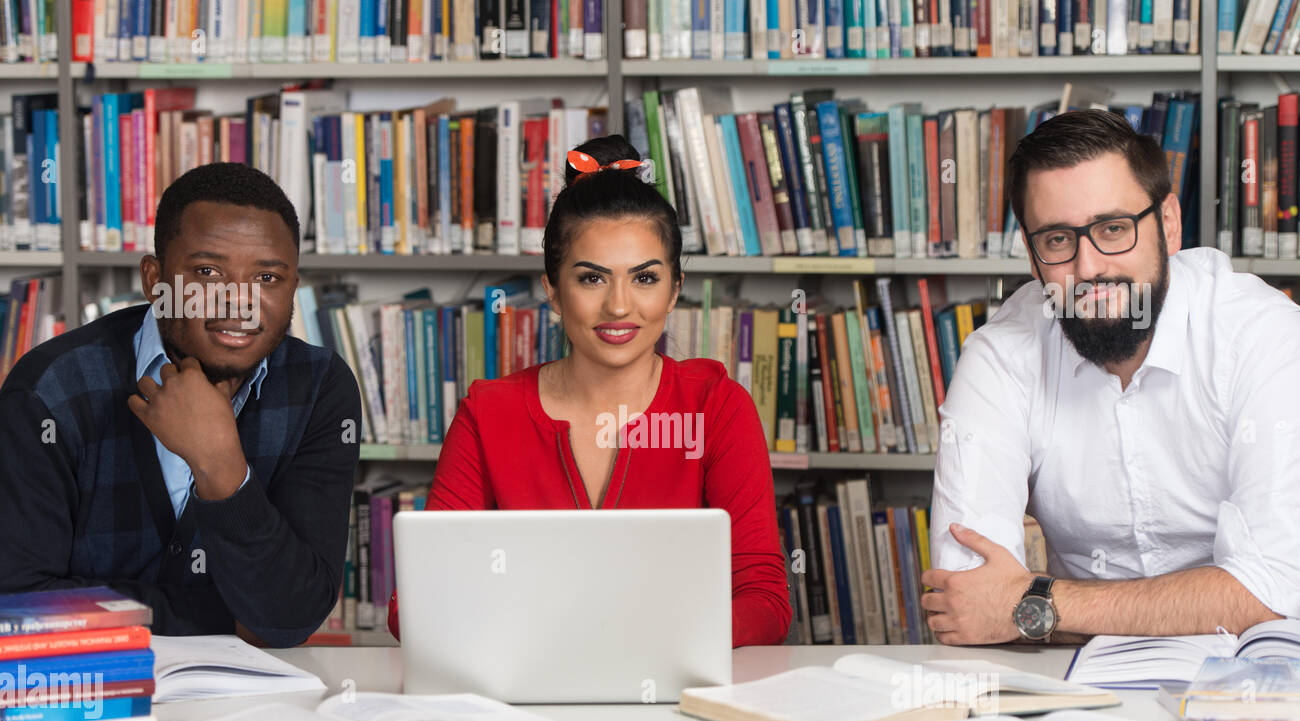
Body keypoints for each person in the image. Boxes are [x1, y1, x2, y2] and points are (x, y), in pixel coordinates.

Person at [387, 135, 792, 647]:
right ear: (553, 290)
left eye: (644, 278)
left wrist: (647, 639)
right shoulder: (488, 413)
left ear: (675, 289)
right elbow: (415, 604)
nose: (620, 306)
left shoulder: (716, 407)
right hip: (528, 701)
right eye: (592, 279)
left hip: (675, 694)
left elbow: (764, 599)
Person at [923, 108, 1300, 645]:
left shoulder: (1264, 336)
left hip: (1248, 686)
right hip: (1078, 686)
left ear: (1168, 224)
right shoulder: (1002, 353)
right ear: (1032, 257)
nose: (1090, 267)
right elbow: (966, 600)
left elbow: (1279, 590)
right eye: (1057, 240)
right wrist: (1021, 607)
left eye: (1113, 229)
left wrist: (1038, 604)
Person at [0, 162, 362, 647]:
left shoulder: (319, 388)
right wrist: (220, 617)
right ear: (155, 280)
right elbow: (20, 604)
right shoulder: (51, 390)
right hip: (91, 693)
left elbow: (291, 615)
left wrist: (221, 467)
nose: (240, 304)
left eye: (268, 278)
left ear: (295, 285)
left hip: (249, 707)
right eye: (208, 272)